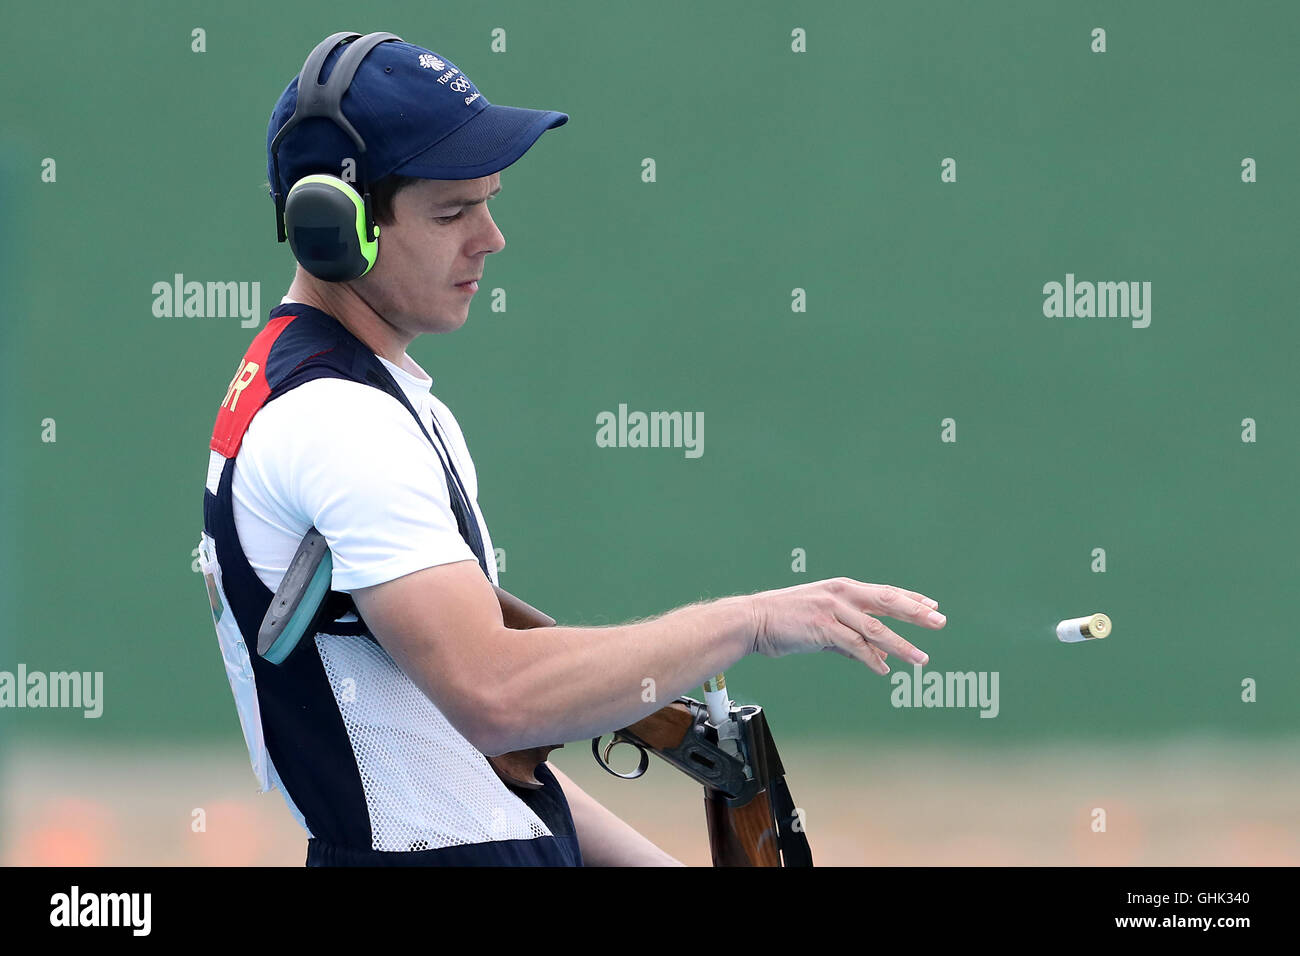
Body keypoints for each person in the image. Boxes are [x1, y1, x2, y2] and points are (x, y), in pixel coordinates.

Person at [197, 32, 947, 867]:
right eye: (452, 211)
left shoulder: (355, 394)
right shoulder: (339, 420)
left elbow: (472, 771)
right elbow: (496, 696)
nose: (491, 238)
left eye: (488, 200)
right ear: (334, 231)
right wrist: (750, 621)